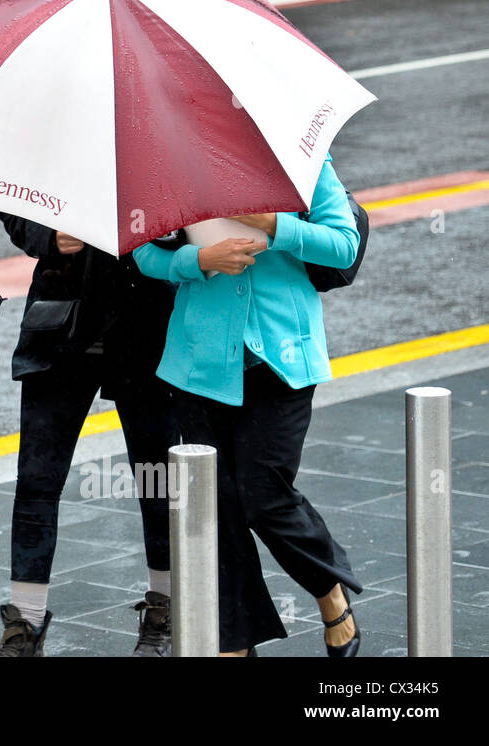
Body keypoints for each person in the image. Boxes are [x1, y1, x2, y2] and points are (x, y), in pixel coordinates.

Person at [132, 157, 362, 656]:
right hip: (198, 364)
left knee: (267, 498)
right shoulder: (167, 160)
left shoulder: (300, 159)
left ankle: (330, 593)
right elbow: (143, 250)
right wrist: (197, 262)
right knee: (215, 512)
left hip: (282, 358)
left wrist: (275, 226)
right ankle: (234, 642)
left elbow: (345, 245)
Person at [0, 217, 180, 657]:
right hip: (61, 322)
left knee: (157, 478)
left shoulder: (164, 146)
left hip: (147, 324)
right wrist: (47, 236)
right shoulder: (50, 144)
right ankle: (26, 620)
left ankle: (166, 608)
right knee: (37, 479)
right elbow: (11, 194)